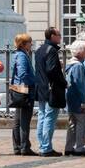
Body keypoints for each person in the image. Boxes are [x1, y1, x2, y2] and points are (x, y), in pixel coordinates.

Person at [34, 27, 67, 156]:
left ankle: (43, 145)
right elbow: (52, 70)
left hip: (42, 88)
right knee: (49, 118)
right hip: (51, 88)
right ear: (52, 36)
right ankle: (46, 147)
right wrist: (64, 82)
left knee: (42, 117)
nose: (60, 37)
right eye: (58, 34)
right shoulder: (52, 50)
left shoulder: (39, 50)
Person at [8, 34, 37, 156]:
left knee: (18, 119)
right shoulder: (22, 56)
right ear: (24, 44)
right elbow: (23, 73)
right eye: (30, 42)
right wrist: (34, 82)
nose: (31, 44)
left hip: (17, 87)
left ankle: (18, 147)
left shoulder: (17, 54)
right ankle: (24, 146)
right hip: (23, 88)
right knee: (23, 120)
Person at [64, 39, 85, 156]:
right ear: (80, 52)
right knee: (81, 122)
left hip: (71, 98)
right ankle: (79, 147)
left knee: (72, 124)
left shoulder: (70, 65)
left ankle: (69, 147)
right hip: (78, 99)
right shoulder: (78, 66)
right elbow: (81, 85)